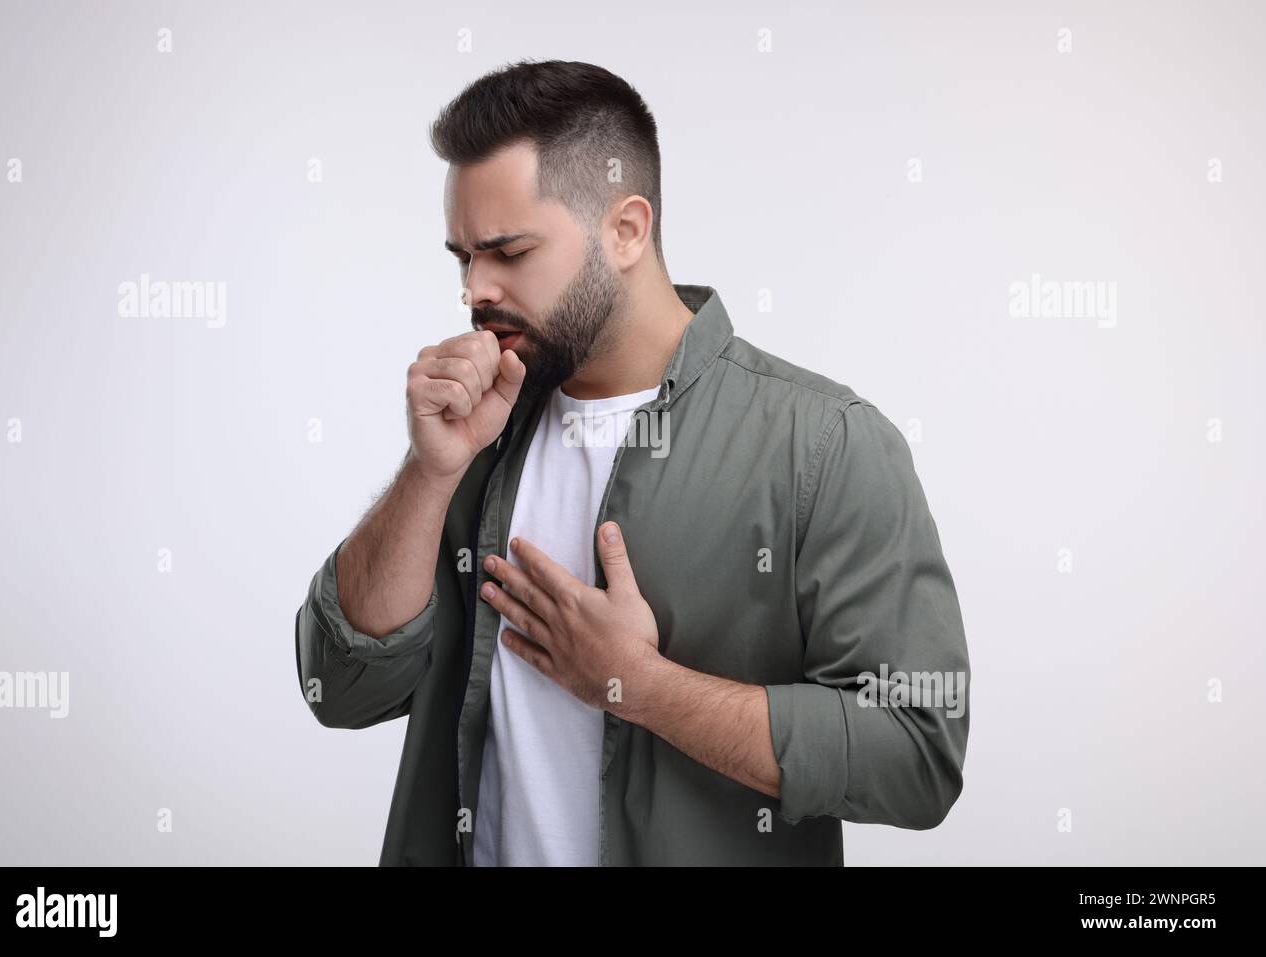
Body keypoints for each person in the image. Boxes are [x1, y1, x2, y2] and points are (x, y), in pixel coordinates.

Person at [294, 59, 971, 866]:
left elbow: (918, 753)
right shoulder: (477, 432)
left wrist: (640, 684)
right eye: (463, 257)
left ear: (626, 229)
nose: (475, 288)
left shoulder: (822, 442)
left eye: (508, 251)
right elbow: (337, 689)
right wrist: (430, 469)